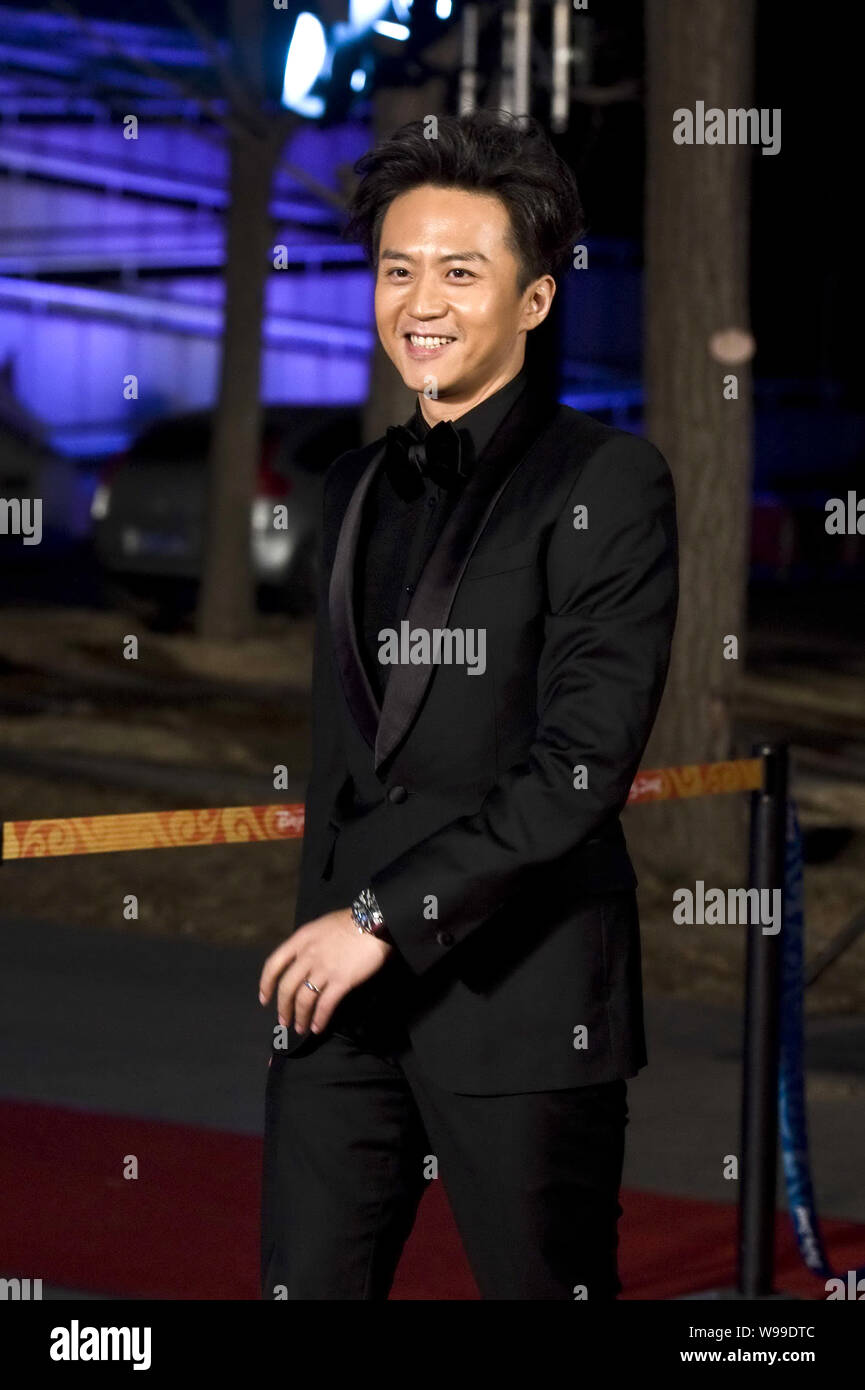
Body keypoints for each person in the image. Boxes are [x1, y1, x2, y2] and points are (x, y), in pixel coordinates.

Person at [259, 110, 678, 1301]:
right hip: (338, 1011)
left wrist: (379, 917)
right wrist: (324, 948)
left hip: (522, 1004)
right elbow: (355, 756)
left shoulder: (607, 483)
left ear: (535, 300)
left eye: (459, 269)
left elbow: (578, 772)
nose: (420, 301)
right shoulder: (348, 488)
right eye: (397, 269)